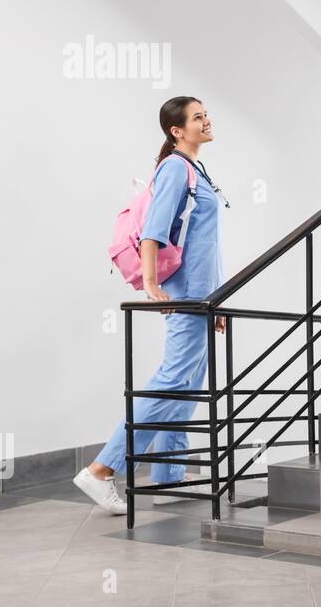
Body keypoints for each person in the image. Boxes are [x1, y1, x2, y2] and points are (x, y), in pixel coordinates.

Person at [75, 97, 228, 515]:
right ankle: (102, 469)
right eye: (198, 117)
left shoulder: (196, 169)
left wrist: (218, 299)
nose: (206, 120)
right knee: (173, 380)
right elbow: (155, 230)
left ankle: (168, 475)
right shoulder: (176, 168)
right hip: (186, 293)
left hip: (203, 295)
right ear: (177, 130)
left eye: (205, 113)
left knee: (189, 382)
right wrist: (151, 283)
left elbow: (205, 244)